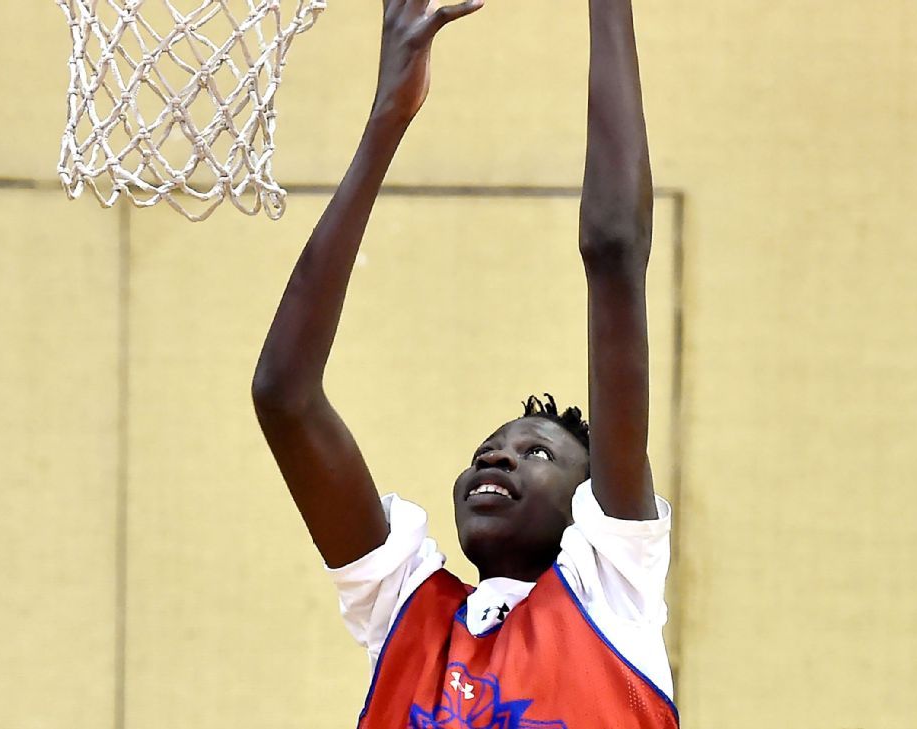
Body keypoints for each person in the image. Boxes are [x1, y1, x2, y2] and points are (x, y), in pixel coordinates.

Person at [251, 0, 676, 725]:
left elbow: (613, 250)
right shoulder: (406, 615)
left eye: (536, 452)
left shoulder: (612, 591)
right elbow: (284, 396)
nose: (496, 459)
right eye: (487, 451)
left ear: (591, 506)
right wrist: (386, 119)